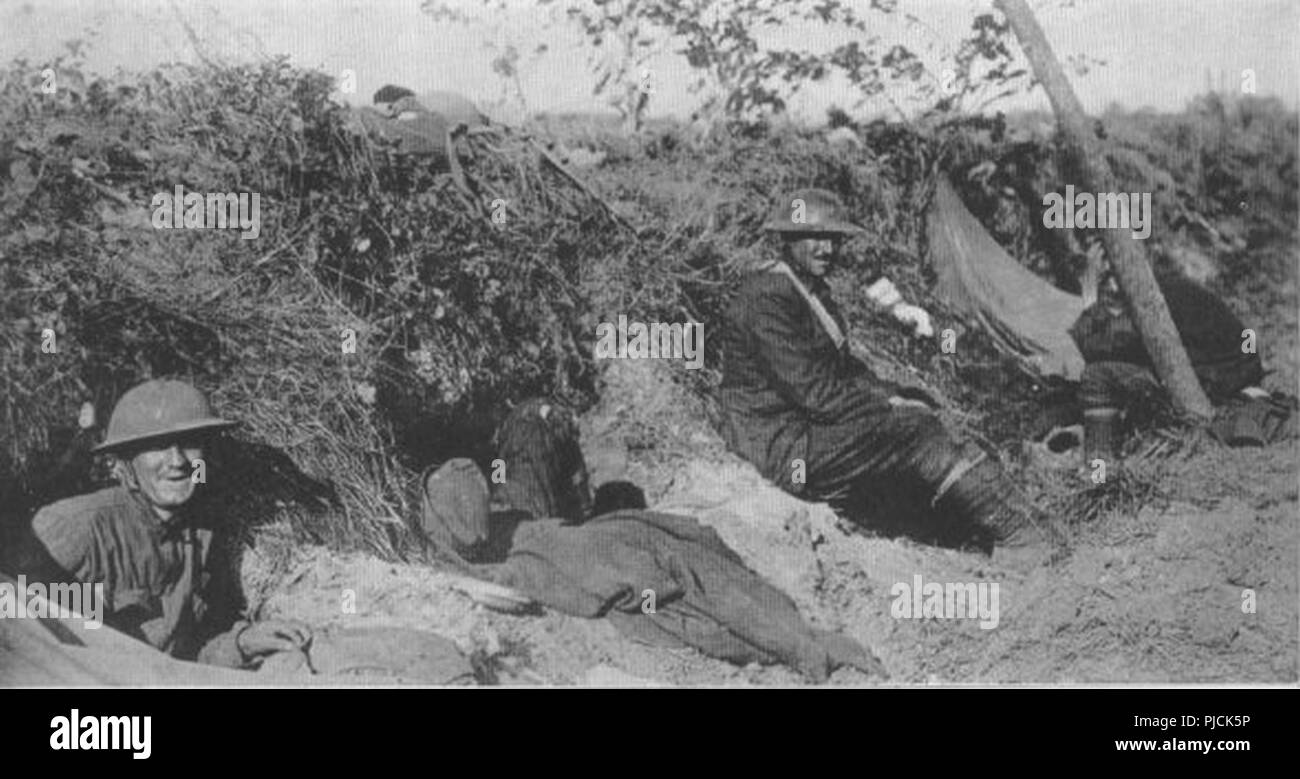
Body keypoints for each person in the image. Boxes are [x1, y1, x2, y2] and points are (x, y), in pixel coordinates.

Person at [717, 188, 1067, 555]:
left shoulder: (807, 289)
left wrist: (896, 395)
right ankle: (1020, 540)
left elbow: (846, 372)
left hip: (804, 431)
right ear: (787, 239)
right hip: (780, 448)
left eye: (833, 238)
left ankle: (1028, 526)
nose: (827, 249)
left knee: (924, 413)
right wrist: (891, 411)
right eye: (814, 237)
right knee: (916, 431)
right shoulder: (767, 297)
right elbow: (814, 394)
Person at [2, 379, 310, 669]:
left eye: (189, 443)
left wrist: (242, 643)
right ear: (127, 462)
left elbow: (188, 654)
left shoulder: (202, 536)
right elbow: (15, 636)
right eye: (157, 446)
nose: (177, 460)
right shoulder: (76, 527)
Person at [1070, 266, 1275, 461]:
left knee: (1096, 376)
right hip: (1235, 376)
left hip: (1217, 384)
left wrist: (1090, 304)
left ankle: (1099, 470)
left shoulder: (1148, 299)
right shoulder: (1169, 287)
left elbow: (1093, 347)